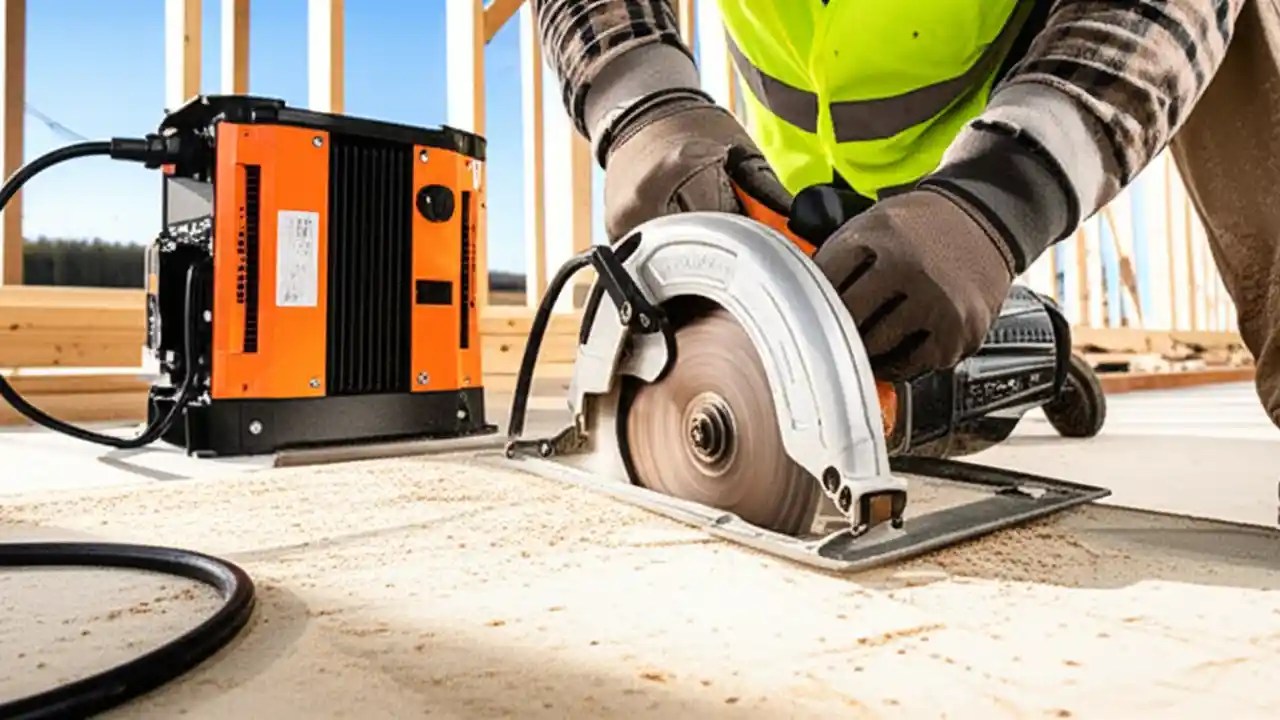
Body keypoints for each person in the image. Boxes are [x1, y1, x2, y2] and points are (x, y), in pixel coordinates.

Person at [530, 0, 1280, 430]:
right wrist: (639, 98)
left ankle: (1031, 348)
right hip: (801, 168)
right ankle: (992, 354)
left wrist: (999, 201)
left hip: (980, 144)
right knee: (856, 402)